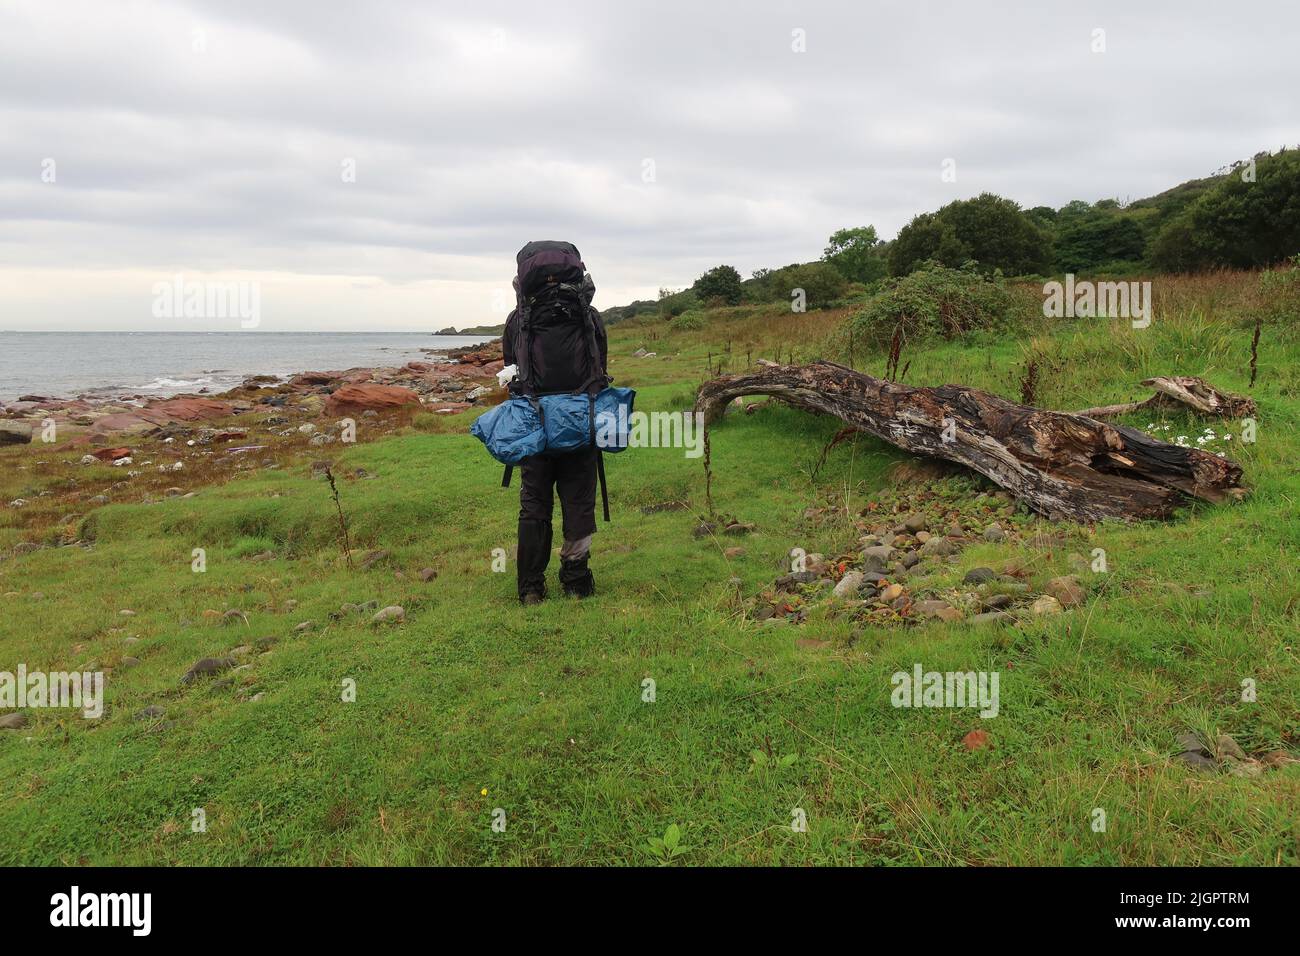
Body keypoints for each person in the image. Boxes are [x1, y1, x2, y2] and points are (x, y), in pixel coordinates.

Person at [501, 241, 608, 605]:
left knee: (534, 502)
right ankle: (576, 581)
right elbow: (601, 369)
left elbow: (509, 372)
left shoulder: (518, 321)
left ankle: (531, 587)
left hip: (535, 422)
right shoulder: (588, 316)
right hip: (581, 421)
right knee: (578, 500)